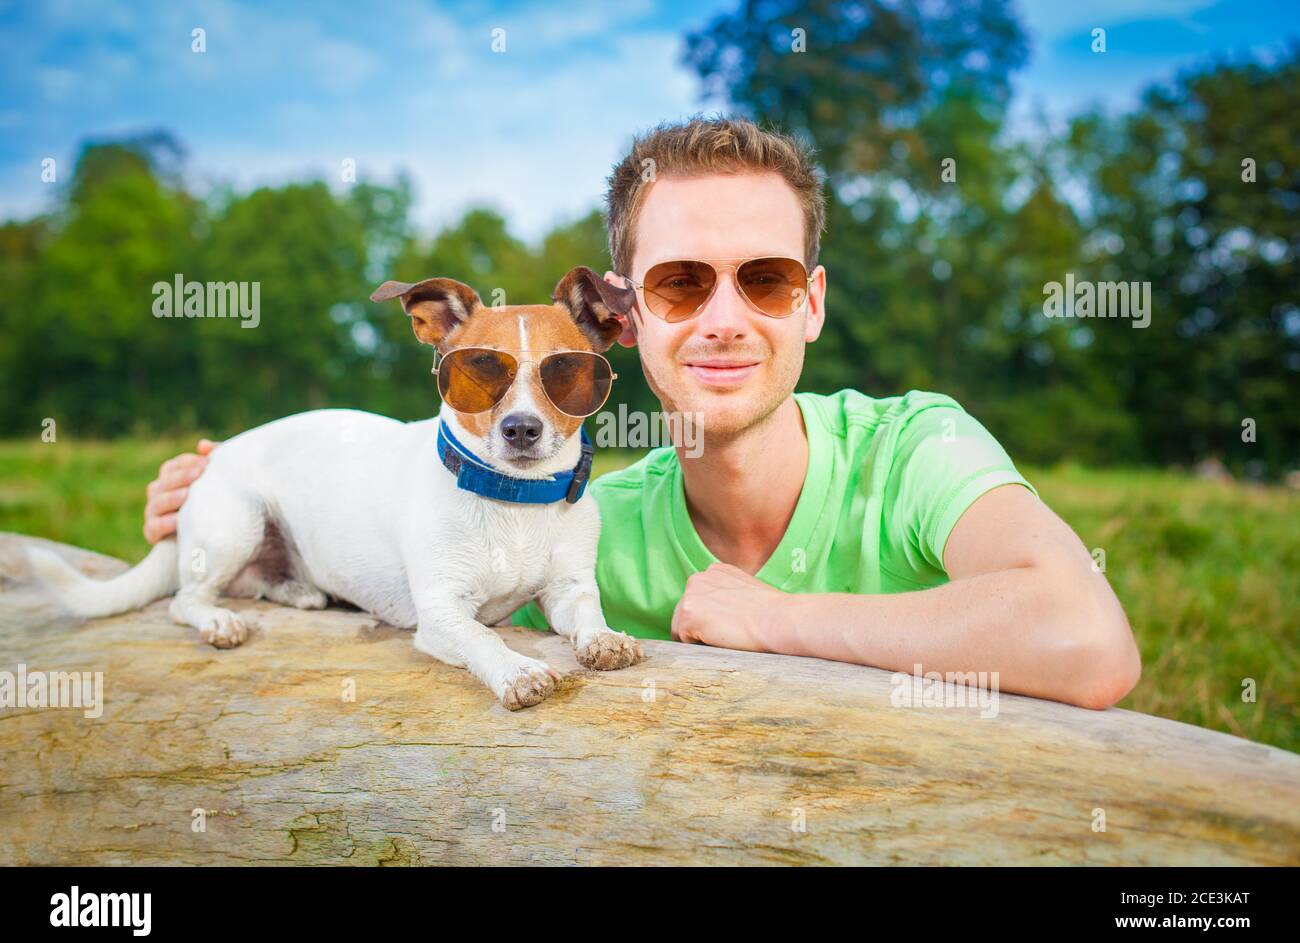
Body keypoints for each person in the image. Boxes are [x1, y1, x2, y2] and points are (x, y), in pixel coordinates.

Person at [143, 117, 1140, 709]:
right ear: (623, 313)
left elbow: (1088, 641)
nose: (722, 319)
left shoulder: (917, 445)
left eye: (765, 277)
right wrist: (243, 511)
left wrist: (780, 620)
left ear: (814, 301)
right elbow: (411, 560)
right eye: (677, 284)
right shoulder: (585, 530)